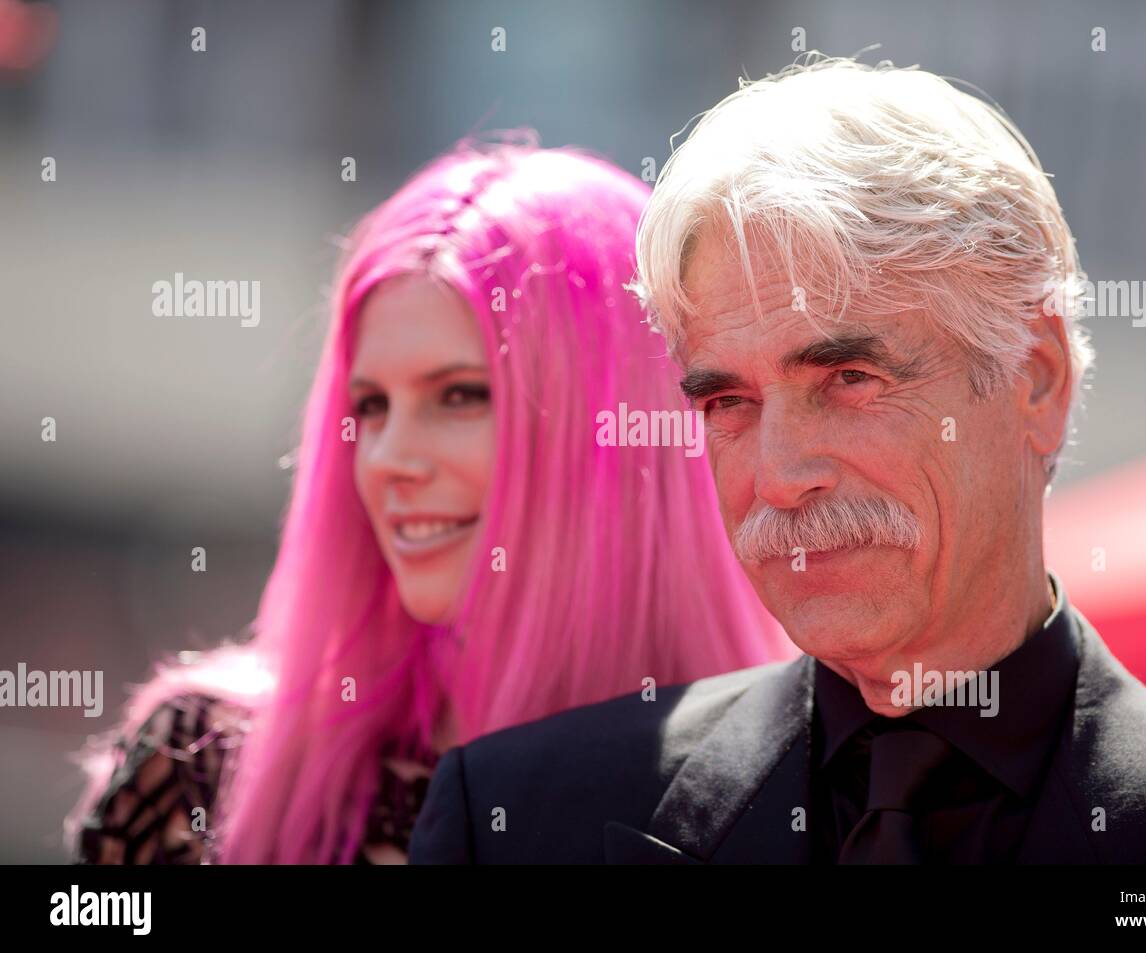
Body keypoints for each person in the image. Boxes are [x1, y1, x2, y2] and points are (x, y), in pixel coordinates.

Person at [409, 59, 1146, 864]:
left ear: (1037, 380)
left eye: (849, 378)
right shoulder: (514, 820)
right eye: (729, 403)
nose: (782, 472)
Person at [65, 136, 792, 865]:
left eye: (460, 396)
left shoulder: (805, 802)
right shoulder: (201, 767)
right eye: (372, 405)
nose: (388, 461)